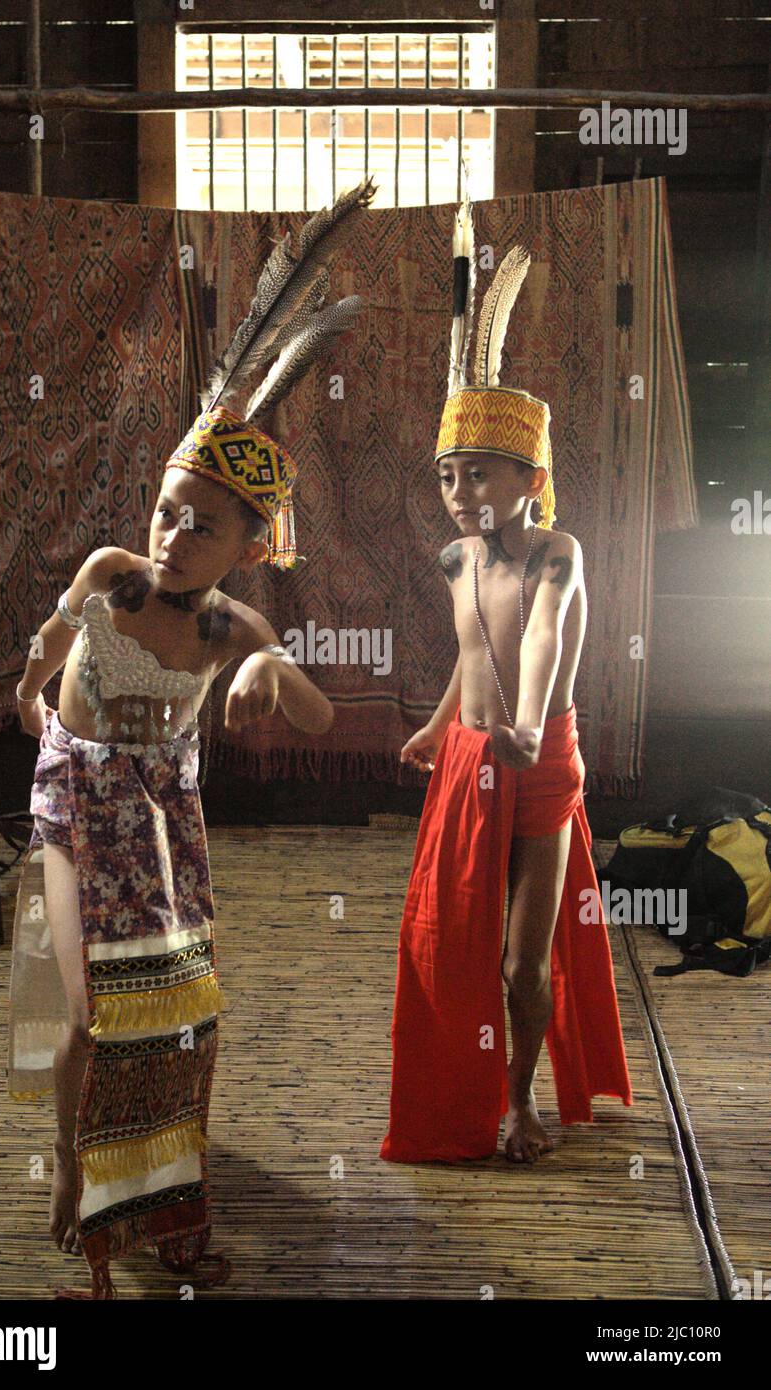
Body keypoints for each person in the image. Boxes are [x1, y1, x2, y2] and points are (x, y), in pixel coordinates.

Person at [8, 180, 374, 1298]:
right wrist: (40, 718)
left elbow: (317, 715)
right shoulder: (109, 579)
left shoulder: (228, 624)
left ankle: (172, 1198)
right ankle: (74, 1176)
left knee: (177, 1022)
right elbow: (37, 660)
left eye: (201, 523)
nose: (172, 531)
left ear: (247, 546)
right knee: (80, 1013)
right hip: (73, 813)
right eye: (167, 507)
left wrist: (269, 665)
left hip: (162, 835)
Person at [380, 210, 632, 1167]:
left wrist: (525, 726)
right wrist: (438, 726)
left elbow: (538, 648)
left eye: (477, 473)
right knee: (461, 945)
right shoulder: (454, 558)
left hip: (539, 763)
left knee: (525, 960)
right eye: (447, 475)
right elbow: (473, 652)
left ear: (530, 478)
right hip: (468, 759)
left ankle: (519, 1103)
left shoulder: (559, 554)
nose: (458, 492)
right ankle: (468, 1093)